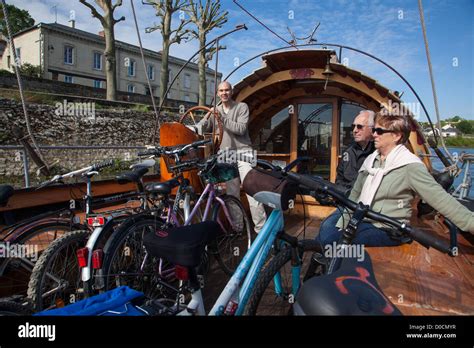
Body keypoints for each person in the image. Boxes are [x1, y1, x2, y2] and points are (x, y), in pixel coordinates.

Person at [317, 112, 474, 247]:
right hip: (364, 218)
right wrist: (344, 221)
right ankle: (320, 272)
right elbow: (355, 195)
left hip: (389, 228)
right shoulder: (371, 160)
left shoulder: (410, 166)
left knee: (332, 239)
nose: (374, 134)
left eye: (379, 130)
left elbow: (443, 201)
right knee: (326, 228)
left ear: (396, 136)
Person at [197, 81, 266, 233]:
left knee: (252, 190)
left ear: (232, 91)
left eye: (227, 90)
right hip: (225, 154)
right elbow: (201, 128)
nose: (224, 93)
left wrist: (220, 117)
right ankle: (238, 228)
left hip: (244, 152)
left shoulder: (242, 107)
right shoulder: (216, 111)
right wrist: (205, 117)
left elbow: (240, 129)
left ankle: (261, 230)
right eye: (221, 91)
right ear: (217, 93)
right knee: (231, 193)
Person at [319, 110, 376, 234]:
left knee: (329, 229)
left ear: (372, 130)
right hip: (346, 203)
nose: (355, 130)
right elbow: (339, 178)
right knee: (325, 227)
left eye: (360, 126)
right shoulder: (348, 152)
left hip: (368, 207)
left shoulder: (378, 154)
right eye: (353, 126)